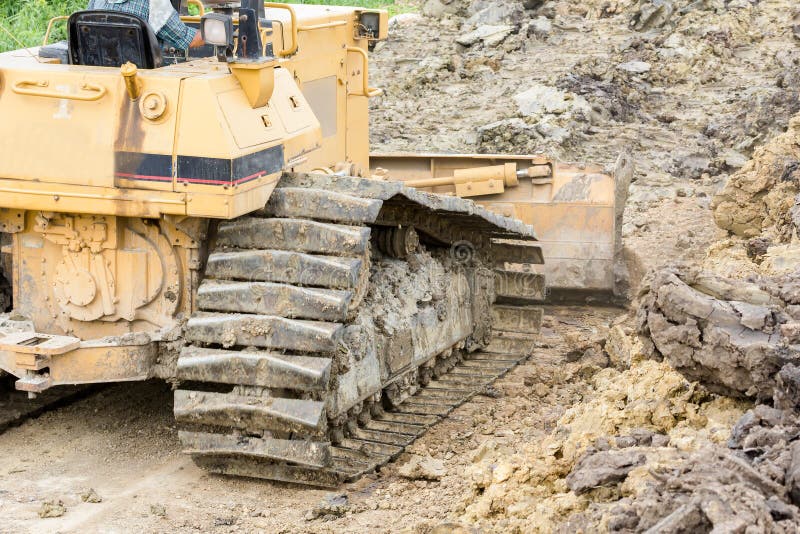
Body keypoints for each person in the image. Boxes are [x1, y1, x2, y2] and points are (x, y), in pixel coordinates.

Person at [87, 0, 204, 50]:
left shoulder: (96, 1)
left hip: (97, 78)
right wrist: (211, 33)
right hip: (139, 80)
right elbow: (188, 40)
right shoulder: (154, 2)